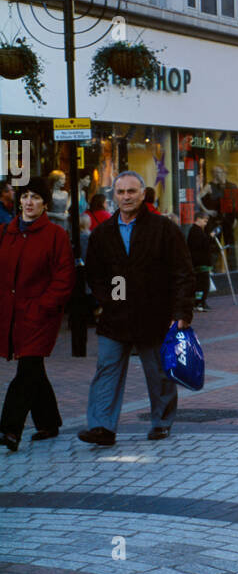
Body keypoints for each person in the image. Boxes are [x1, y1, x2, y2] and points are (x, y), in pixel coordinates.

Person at [79, 170, 195, 447]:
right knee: (107, 369)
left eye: (132, 191)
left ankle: (161, 422)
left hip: (155, 315)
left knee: (158, 372)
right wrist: (113, 298)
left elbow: (182, 272)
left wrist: (181, 313)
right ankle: (101, 427)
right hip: (116, 317)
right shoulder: (103, 233)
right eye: (120, 192)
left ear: (143, 194)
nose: (126, 197)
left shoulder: (163, 229)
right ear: (114, 196)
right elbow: (98, 274)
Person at [0, 178, 75, 450]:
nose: (29, 202)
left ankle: (9, 429)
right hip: (11, 314)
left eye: (35, 197)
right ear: (18, 200)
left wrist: (44, 305)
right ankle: (48, 422)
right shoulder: (5, 233)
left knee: (27, 368)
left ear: (45, 203)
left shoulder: (56, 235)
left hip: (40, 314)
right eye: (25, 196)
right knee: (35, 369)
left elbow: (64, 277)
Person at [188, 211, 216, 311]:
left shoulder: (197, 231)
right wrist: (210, 237)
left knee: (202, 283)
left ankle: (199, 302)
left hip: (200, 262)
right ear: (198, 219)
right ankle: (199, 302)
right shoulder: (196, 231)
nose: (205, 223)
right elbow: (202, 245)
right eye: (204, 221)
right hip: (200, 263)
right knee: (202, 284)